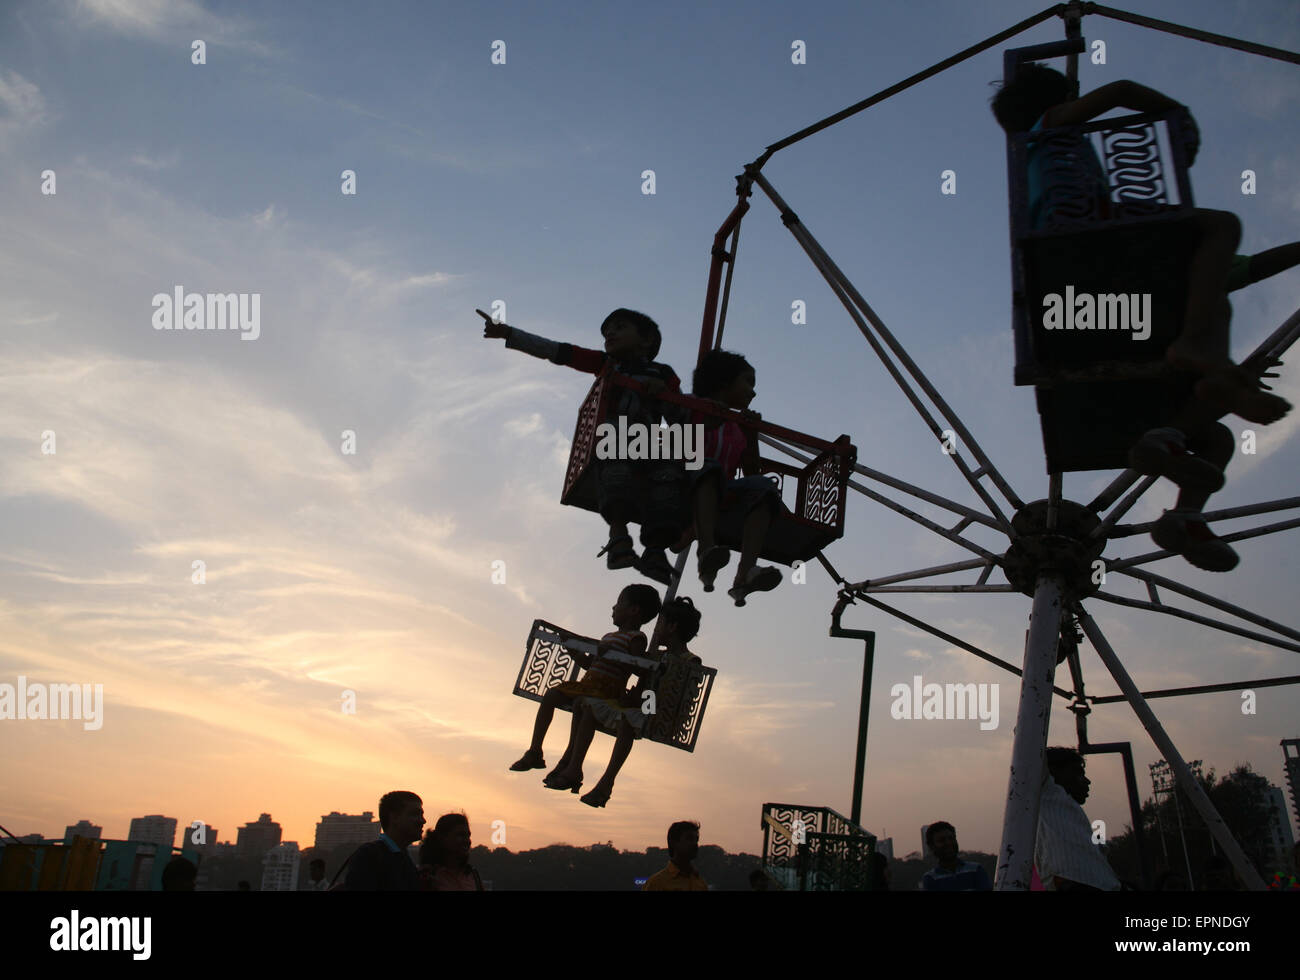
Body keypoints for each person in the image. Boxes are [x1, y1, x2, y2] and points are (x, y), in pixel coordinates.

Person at [991, 66, 1291, 570]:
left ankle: (1182, 508)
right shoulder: (1046, 124)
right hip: (1083, 240)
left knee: (1214, 436)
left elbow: (1246, 268)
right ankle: (1205, 357)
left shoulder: (1168, 267)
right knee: (1219, 225)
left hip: (1106, 315)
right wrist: (1176, 115)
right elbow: (1123, 91)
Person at [482, 307, 687, 584]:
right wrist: (510, 334)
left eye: (620, 327)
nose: (610, 334)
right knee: (616, 470)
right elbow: (558, 351)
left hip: (646, 443)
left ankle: (655, 550)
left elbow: (680, 414)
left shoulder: (664, 374)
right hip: (614, 437)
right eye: (606, 332)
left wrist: (663, 395)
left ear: (647, 339)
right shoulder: (605, 364)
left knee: (668, 477)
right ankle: (618, 536)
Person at [547, 596, 703, 807]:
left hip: (663, 717)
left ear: (672, 627)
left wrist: (641, 701)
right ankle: (574, 766)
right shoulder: (656, 657)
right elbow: (644, 685)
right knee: (587, 705)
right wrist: (632, 697)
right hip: (643, 710)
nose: (656, 630)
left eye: (660, 624)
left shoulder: (690, 662)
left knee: (627, 722)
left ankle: (606, 781)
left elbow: (674, 698)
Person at [509, 583, 662, 791]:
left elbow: (635, 666)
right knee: (552, 695)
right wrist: (576, 653)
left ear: (633, 610)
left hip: (605, 690)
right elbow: (593, 665)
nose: (613, 608)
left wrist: (612, 655)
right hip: (588, 684)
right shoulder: (609, 636)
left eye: (619, 603)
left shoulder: (636, 638)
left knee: (584, 705)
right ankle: (535, 750)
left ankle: (569, 765)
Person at [689, 350, 785, 606]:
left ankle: (746, 571)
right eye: (748, 382)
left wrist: (751, 433)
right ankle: (706, 549)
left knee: (765, 488)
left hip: (721, 488)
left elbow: (752, 472)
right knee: (707, 467)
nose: (753, 392)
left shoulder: (736, 426)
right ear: (724, 381)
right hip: (687, 482)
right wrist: (707, 419)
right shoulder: (692, 407)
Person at [1035, 747, 1121, 891]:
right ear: (1053, 772)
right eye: (1078, 774)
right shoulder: (1048, 792)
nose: (1087, 781)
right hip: (1074, 882)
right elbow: (1030, 746)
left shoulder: (1070, 811)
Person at [341, 791, 425, 891]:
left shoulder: (405, 859)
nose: (423, 820)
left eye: (421, 815)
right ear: (394, 817)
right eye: (415, 814)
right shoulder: (369, 855)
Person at [419, 813, 484, 891]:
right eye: (461, 835)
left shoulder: (473, 875)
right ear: (442, 838)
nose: (467, 841)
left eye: (468, 836)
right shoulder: (427, 876)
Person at [918, 822, 992, 891]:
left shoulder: (976, 870)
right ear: (931, 847)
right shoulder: (931, 879)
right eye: (942, 840)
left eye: (951, 838)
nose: (948, 843)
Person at [643, 821, 708, 891]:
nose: (695, 844)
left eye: (696, 840)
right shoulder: (656, 883)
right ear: (674, 843)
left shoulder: (700, 884)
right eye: (689, 839)